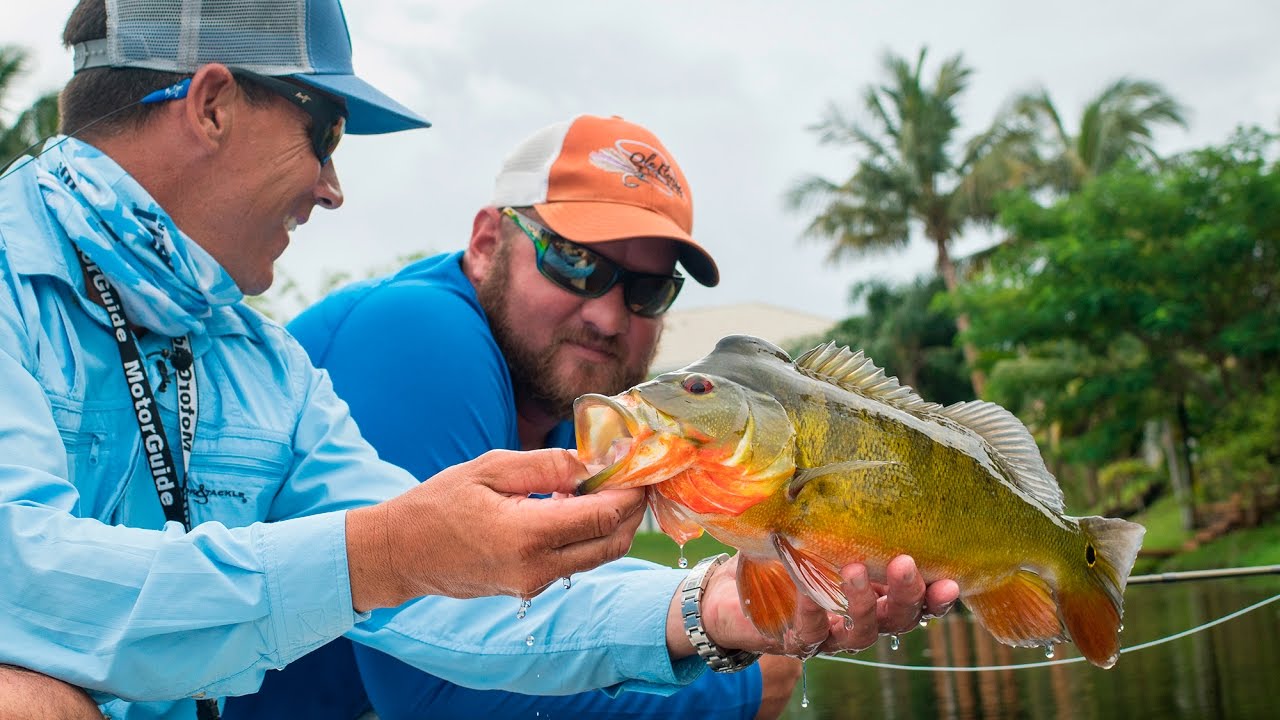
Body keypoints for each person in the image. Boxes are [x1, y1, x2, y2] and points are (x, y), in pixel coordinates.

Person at [0, 3, 958, 719]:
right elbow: (30, 584)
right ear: (211, 105)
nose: (334, 188)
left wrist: (714, 611)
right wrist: (386, 552)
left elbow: (444, 602)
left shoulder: (259, 366)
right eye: (324, 132)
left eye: (648, 289)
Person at [257, 115, 957, 720]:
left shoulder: (570, 411)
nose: (607, 313)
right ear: (485, 243)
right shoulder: (419, 333)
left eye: (648, 289)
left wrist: (739, 599)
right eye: (575, 264)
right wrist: (735, 690)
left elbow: (540, 625)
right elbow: (433, 693)